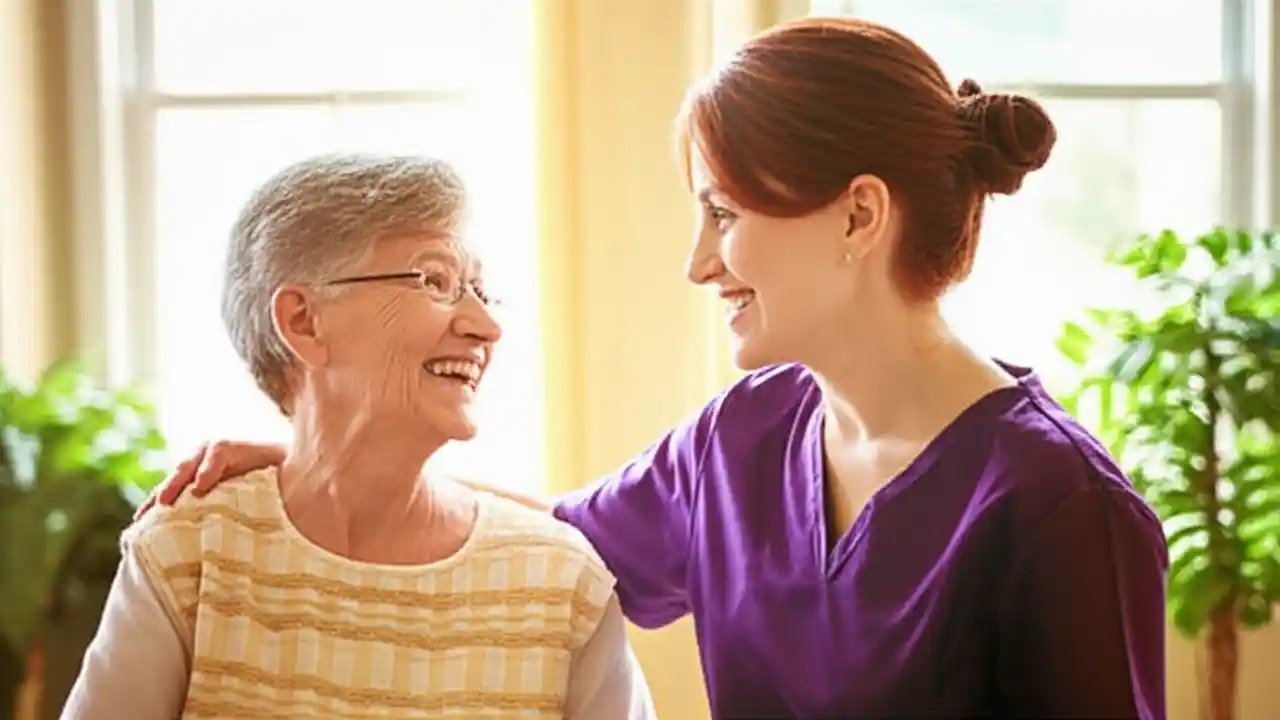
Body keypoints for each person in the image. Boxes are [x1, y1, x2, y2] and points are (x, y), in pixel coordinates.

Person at [137, 17, 1169, 720]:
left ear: (858, 215)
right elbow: (560, 537)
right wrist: (321, 459)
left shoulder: (1058, 506)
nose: (698, 262)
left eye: (723, 212)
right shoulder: (746, 434)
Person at [65, 154, 655, 719]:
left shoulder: (560, 580)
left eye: (480, 289)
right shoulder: (190, 550)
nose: (487, 326)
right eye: (435, 280)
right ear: (303, 321)